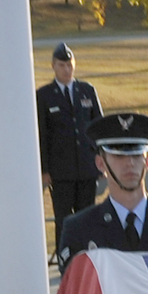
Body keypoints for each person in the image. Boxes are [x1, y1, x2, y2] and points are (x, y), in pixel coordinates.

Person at [56, 112, 148, 271]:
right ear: (100, 163)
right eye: (118, 155)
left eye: (137, 155)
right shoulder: (79, 229)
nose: (129, 163)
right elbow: (74, 291)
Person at [39, 42, 104, 233]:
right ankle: (65, 261)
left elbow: (98, 127)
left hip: (86, 166)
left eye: (69, 65)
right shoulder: (44, 95)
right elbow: (42, 135)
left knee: (88, 219)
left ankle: (87, 260)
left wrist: (102, 160)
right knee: (64, 221)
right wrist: (44, 169)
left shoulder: (86, 90)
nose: (66, 69)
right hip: (60, 171)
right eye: (62, 65)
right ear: (53, 66)